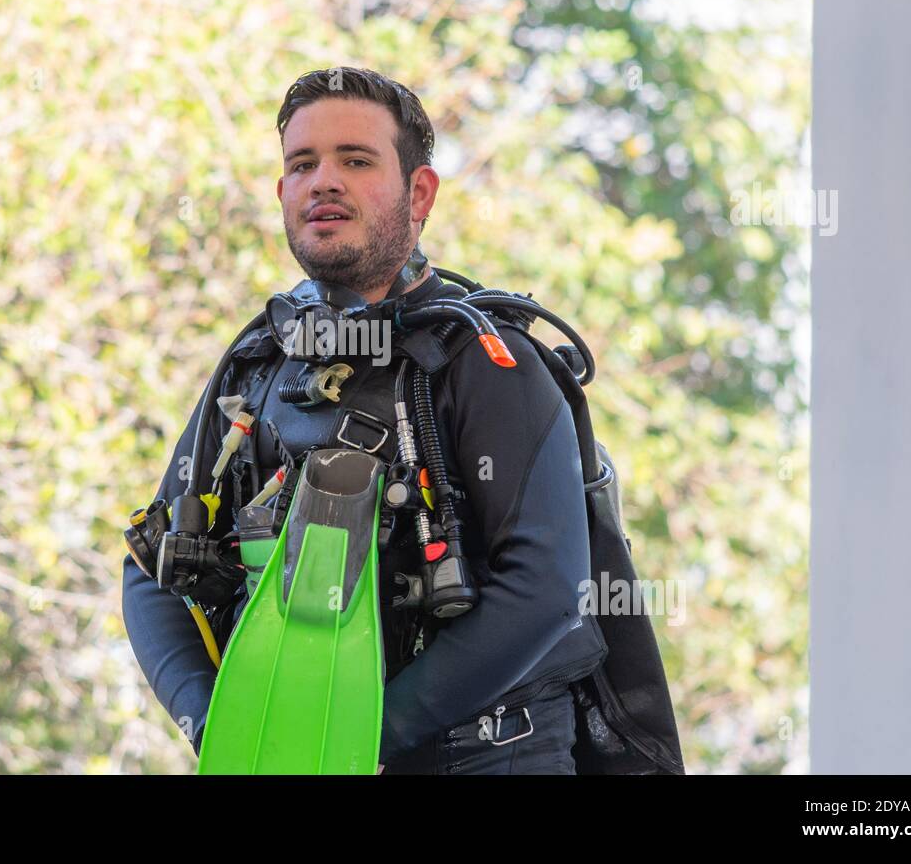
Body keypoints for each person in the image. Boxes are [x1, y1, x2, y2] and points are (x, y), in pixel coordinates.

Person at [122, 66, 608, 774]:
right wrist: (218, 724)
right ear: (283, 192)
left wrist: (358, 739)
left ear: (419, 194)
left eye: (355, 160)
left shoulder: (487, 362)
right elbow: (152, 567)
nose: (323, 181)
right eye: (302, 164)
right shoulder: (257, 365)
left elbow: (544, 587)